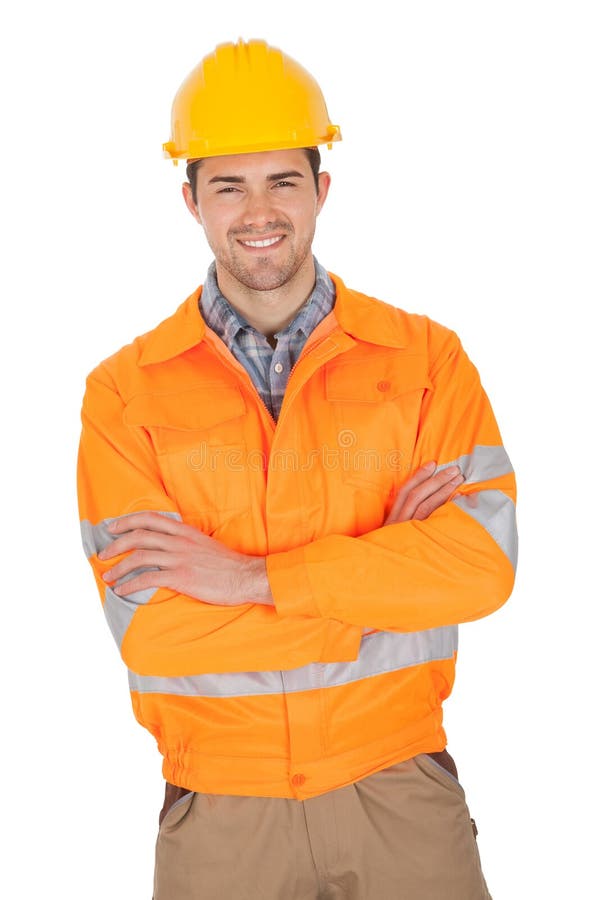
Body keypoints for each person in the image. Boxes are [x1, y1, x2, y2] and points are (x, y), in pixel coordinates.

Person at [78, 38, 517, 900]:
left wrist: (246, 578)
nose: (258, 210)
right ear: (190, 201)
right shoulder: (123, 394)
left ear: (322, 188)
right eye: (228, 185)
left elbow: (482, 569)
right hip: (221, 813)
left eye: (282, 180)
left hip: (402, 794)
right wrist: (382, 580)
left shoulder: (428, 360)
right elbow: (155, 634)